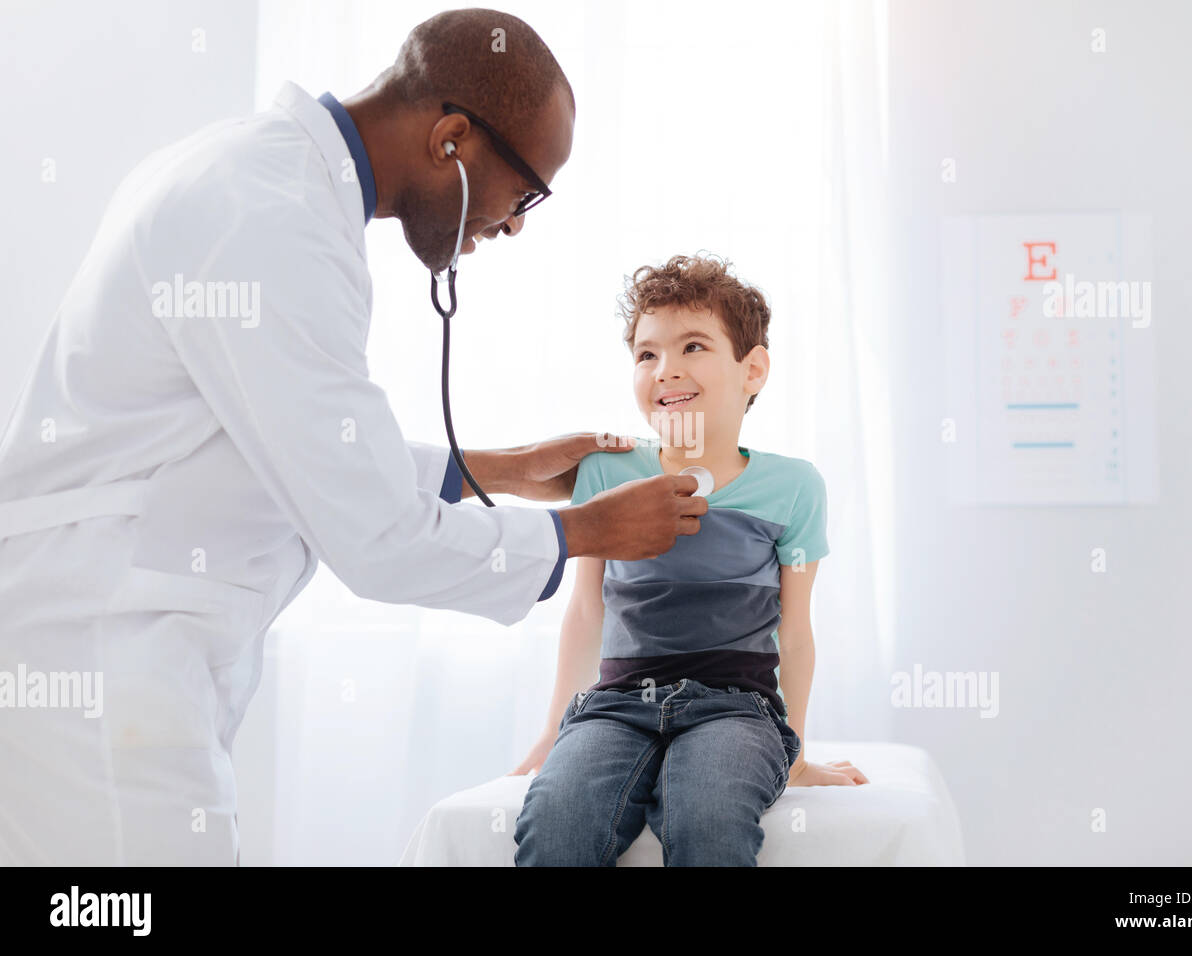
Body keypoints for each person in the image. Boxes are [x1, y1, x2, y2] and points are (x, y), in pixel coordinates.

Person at [0, 9, 704, 866]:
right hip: (97, 662)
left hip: (122, 652)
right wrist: (588, 531)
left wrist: (506, 470)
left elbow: (279, 451)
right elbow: (377, 541)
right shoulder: (269, 221)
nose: (516, 225)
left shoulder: (266, 182)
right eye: (525, 196)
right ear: (452, 139)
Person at [512, 254, 867, 867]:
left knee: (707, 820)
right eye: (646, 354)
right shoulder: (606, 471)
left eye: (693, 346)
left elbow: (797, 630)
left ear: (753, 369)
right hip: (615, 706)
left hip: (737, 707)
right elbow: (585, 612)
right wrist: (553, 730)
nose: (665, 369)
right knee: (556, 820)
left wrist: (797, 751)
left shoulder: (794, 487)